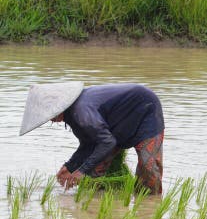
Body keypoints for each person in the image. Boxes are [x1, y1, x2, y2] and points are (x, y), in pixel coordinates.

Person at [19, 82, 165, 194]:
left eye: (49, 114)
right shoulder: (72, 113)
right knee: (95, 170)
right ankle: (97, 201)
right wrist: (69, 167)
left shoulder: (81, 111)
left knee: (148, 167)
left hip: (146, 111)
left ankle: (150, 204)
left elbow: (107, 142)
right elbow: (88, 143)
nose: (49, 119)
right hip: (114, 127)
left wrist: (80, 172)